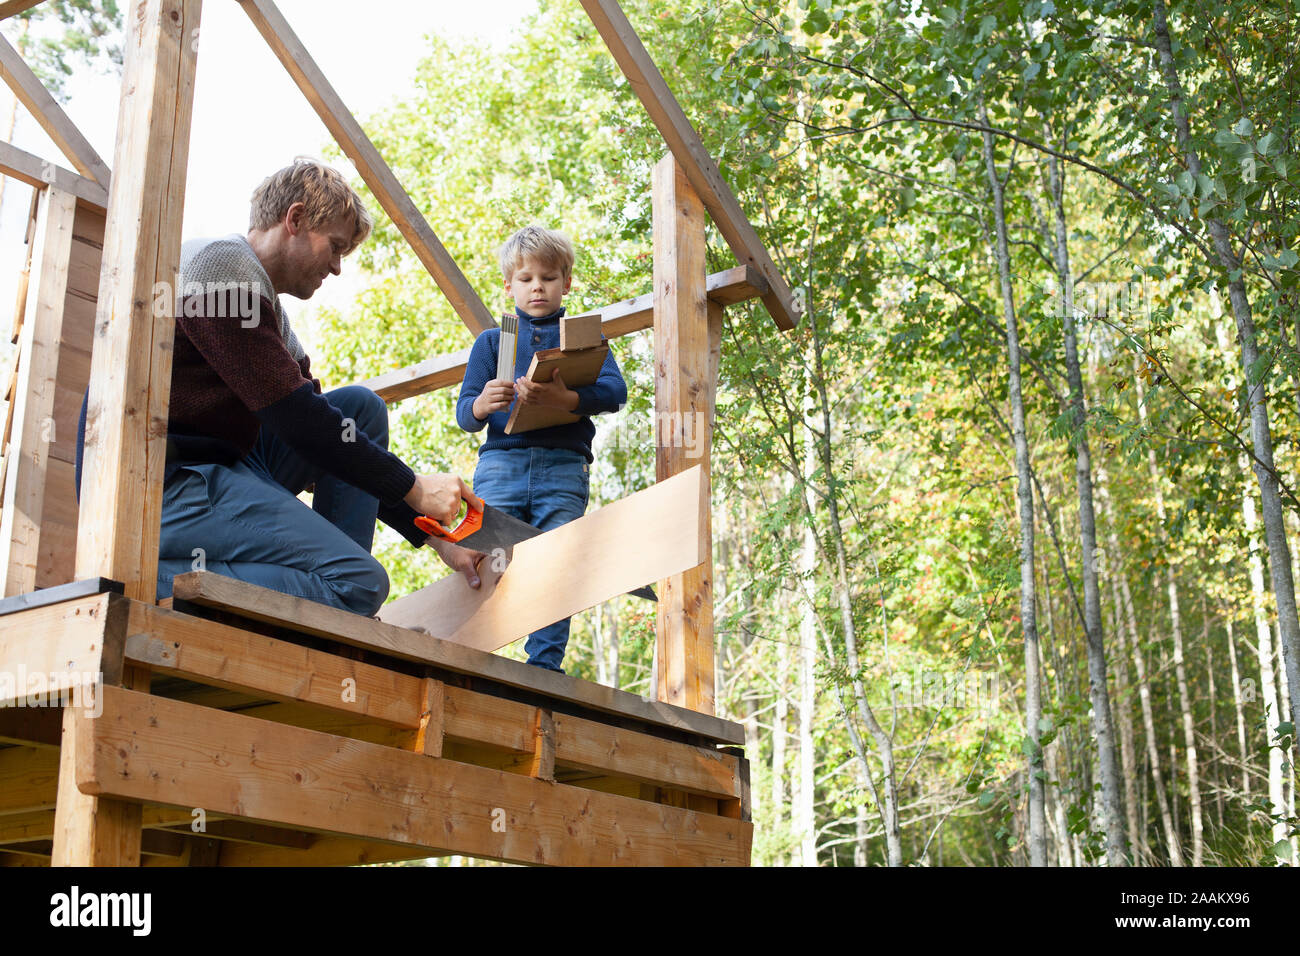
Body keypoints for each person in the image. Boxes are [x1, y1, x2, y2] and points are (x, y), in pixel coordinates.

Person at [76, 158, 483, 616]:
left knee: (357, 409)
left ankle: (332, 602)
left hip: (224, 465)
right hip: (160, 481)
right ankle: (148, 579)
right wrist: (413, 486)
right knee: (360, 582)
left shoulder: (271, 317)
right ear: (295, 219)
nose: (336, 268)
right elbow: (297, 418)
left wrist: (433, 535)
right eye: (334, 248)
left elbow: (330, 436)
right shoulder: (220, 266)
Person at [455, 225, 627, 672]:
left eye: (548, 278)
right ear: (508, 285)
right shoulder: (493, 342)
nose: (537, 287)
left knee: (557, 561)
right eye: (527, 279)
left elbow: (615, 391)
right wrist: (480, 403)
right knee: (486, 553)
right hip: (501, 464)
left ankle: (544, 667)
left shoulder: (583, 337)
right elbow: (463, 415)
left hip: (564, 467)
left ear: (566, 283)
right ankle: (472, 655)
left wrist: (568, 399)